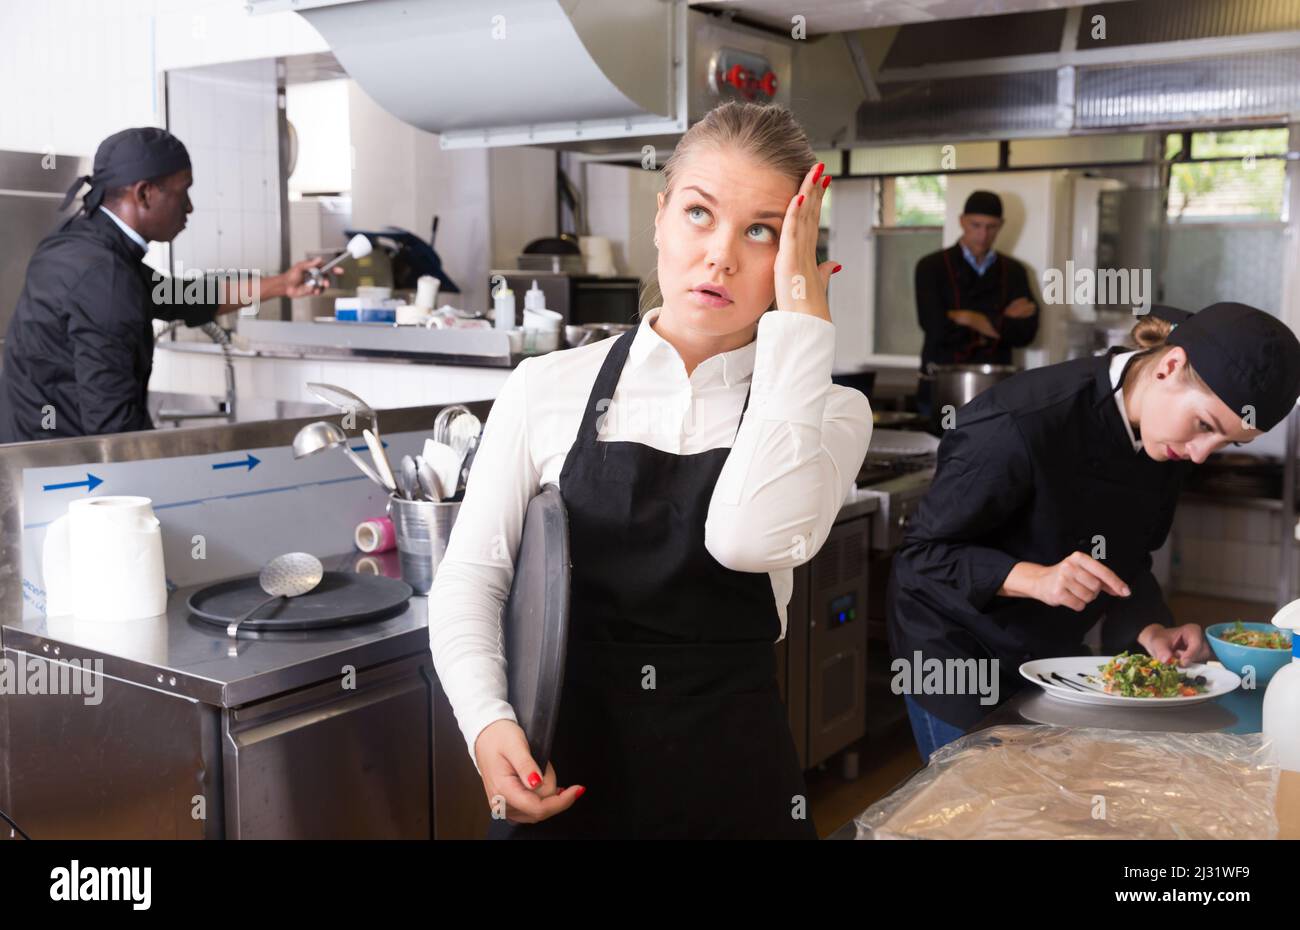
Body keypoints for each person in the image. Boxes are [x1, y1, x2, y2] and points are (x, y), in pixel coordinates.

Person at [427, 102, 873, 839]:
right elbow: (473, 576)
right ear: (661, 217)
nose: (721, 256)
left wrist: (804, 327)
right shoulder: (546, 386)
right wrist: (485, 724)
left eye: (762, 230)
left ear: (796, 250)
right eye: (700, 213)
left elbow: (747, 540)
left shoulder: (829, 410)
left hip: (733, 779)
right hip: (563, 771)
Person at [888, 301, 1300, 764]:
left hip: (1052, 655)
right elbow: (922, 556)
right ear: (1169, 366)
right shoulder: (1017, 423)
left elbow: (1129, 555)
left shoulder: (1168, 438)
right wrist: (1034, 578)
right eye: (1205, 426)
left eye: (1227, 442)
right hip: (957, 651)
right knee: (975, 813)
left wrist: (1149, 627)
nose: (1203, 454)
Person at [0, 127, 333, 443]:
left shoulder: (77, 244)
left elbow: (185, 297)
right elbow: (113, 425)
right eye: (183, 191)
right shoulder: (107, 277)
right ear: (145, 193)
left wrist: (282, 285)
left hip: (25, 451)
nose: (189, 206)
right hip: (63, 471)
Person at [913, 190, 1039, 417]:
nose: (983, 234)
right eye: (976, 225)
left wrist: (971, 318)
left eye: (991, 227)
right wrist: (1001, 320)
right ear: (962, 222)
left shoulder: (1014, 271)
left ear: (1001, 225)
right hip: (942, 391)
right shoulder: (931, 267)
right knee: (937, 451)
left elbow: (1026, 333)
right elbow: (936, 328)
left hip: (996, 393)